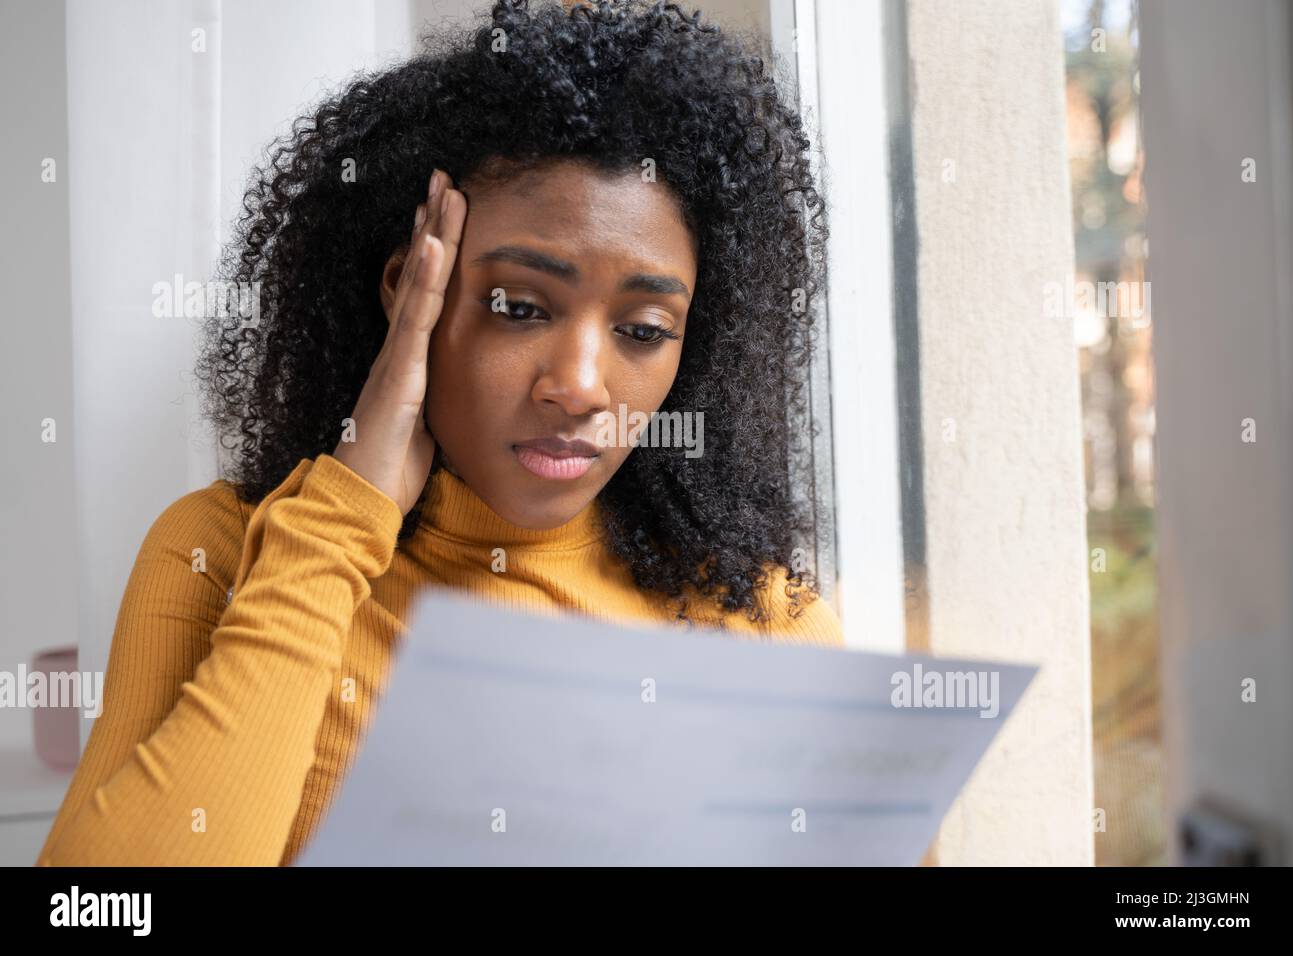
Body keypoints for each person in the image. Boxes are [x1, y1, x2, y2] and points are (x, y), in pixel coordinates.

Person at [37, 0, 839, 866]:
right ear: (408, 290)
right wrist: (341, 522)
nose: (578, 387)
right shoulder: (220, 556)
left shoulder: (755, 618)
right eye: (520, 308)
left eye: (643, 330)